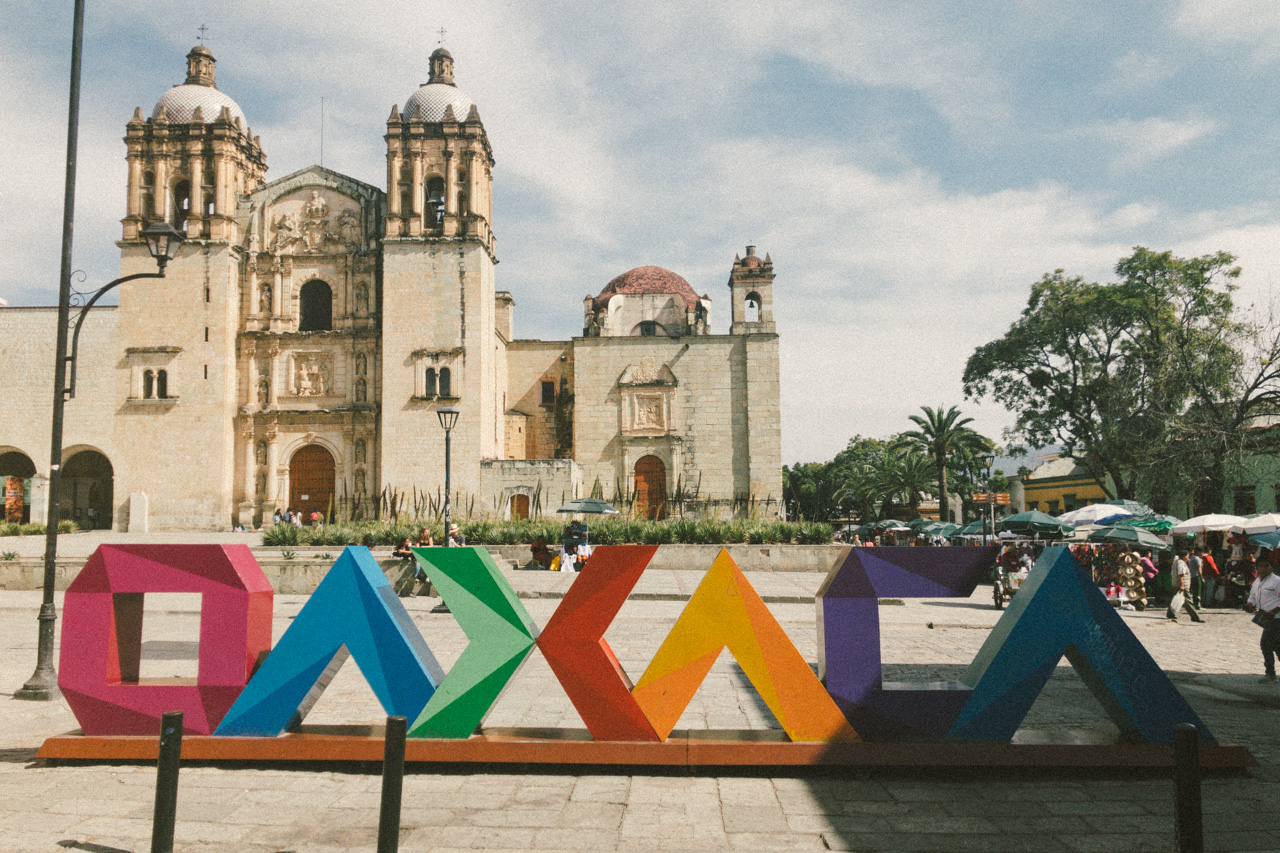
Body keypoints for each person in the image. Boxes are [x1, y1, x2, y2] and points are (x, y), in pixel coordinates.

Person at [1246, 559, 1280, 682]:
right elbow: (1252, 595)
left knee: (1265, 643)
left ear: (1271, 567)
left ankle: (1270, 674)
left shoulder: (1277, 581)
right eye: (1260, 566)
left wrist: (1275, 610)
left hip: (1276, 618)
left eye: (1267, 566)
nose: (1263, 568)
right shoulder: (1257, 581)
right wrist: (1250, 603)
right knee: (1276, 645)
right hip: (1264, 617)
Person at [1167, 550, 1204, 623]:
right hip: (1182, 586)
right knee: (1188, 601)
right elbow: (1181, 574)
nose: (1188, 557)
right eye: (1187, 556)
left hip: (1176, 584)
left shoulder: (1176, 562)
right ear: (1184, 556)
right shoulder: (1181, 563)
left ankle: (1170, 613)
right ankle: (1195, 617)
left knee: (1176, 600)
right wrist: (1182, 584)